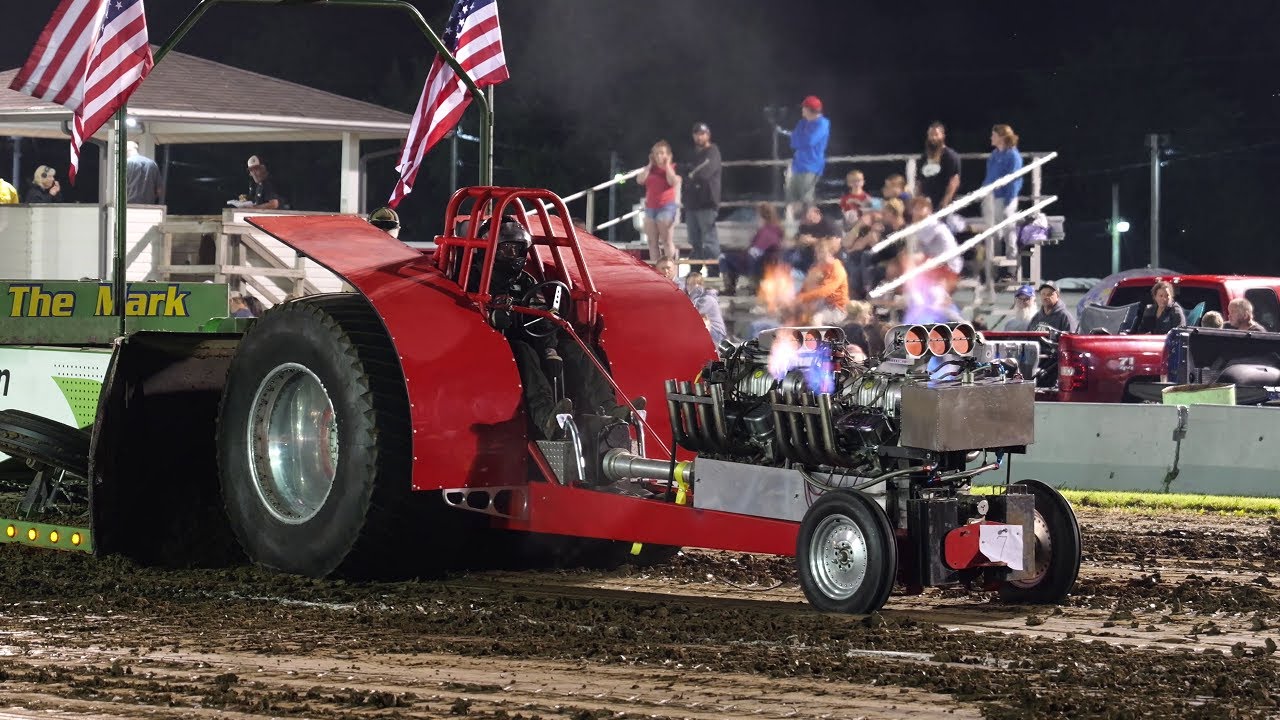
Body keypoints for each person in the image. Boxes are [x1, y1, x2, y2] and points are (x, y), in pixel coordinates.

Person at [478, 218, 633, 440]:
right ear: (491, 250)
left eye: (518, 249)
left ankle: (609, 409)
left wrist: (550, 348)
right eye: (507, 249)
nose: (513, 254)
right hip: (500, 345)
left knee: (575, 348)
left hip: (534, 337)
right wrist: (495, 316)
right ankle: (547, 418)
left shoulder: (526, 281)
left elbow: (543, 315)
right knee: (524, 352)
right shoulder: (477, 278)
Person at [721, 202, 783, 296]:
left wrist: (757, 250)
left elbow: (771, 244)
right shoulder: (761, 229)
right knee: (724, 258)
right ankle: (729, 288)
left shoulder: (774, 229)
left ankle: (754, 286)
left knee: (754, 255)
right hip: (750, 261)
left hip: (764, 263)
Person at [685, 122, 722, 277]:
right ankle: (695, 272)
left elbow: (704, 173)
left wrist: (690, 175)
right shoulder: (693, 154)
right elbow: (685, 172)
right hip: (691, 204)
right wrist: (689, 175)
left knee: (709, 240)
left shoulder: (713, 151)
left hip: (707, 203)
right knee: (694, 241)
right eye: (697, 134)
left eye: (702, 133)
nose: (700, 136)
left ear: (708, 135)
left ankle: (714, 272)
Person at [982, 124, 1023, 260]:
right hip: (992, 197)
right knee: (993, 232)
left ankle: (1011, 267)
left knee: (1008, 230)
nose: (991, 138)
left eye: (993, 135)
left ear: (1001, 137)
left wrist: (1008, 200)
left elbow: (1014, 179)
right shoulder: (994, 154)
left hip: (1005, 198)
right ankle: (994, 266)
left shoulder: (1013, 156)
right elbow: (990, 176)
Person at [785, 96, 830, 219]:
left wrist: (800, 140)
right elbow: (793, 142)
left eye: (804, 108)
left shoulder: (823, 123)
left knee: (806, 200)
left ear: (809, 109)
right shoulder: (802, 122)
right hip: (797, 165)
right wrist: (801, 140)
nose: (802, 110)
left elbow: (810, 141)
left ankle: (810, 227)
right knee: (792, 197)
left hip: (811, 165)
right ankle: (795, 227)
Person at [636, 140, 681, 263]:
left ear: (668, 154)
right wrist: (650, 165)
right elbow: (640, 180)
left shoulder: (673, 168)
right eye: (656, 153)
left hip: (666, 207)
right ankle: (657, 270)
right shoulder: (650, 169)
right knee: (652, 241)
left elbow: (673, 181)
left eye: (662, 153)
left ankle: (670, 266)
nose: (659, 156)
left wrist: (667, 165)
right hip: (651, 208)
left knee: (666, 240)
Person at [792, 237, 849, 325]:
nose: (819, 255)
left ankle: (817, 338)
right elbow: (805, 287)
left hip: (836, 309)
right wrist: (795, 299)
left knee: (816, 318)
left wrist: (802, 298)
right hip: (820, 305)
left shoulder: (838, 268)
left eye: (822, 251)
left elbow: (825, 291)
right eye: (817, 252)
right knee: (795, 314)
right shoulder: (817, 268)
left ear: (830, 252)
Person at [915, 122, 961, 214]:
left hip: (943, 204)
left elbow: (954, 181)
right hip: (926, 205)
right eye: (930, 135)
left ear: (943, 136)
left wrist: (945, 202)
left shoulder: (950, 156)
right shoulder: (924, 157)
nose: (933, 138)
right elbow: (919, 181)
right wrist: (919, 200)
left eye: (936, 134)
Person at [684, 271, 727, 344]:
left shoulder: (707, 298)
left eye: (695, 283)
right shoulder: (691, 299)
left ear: (701, 285)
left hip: (716, 333)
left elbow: (695, 316)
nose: (691, 287)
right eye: (689, 284)